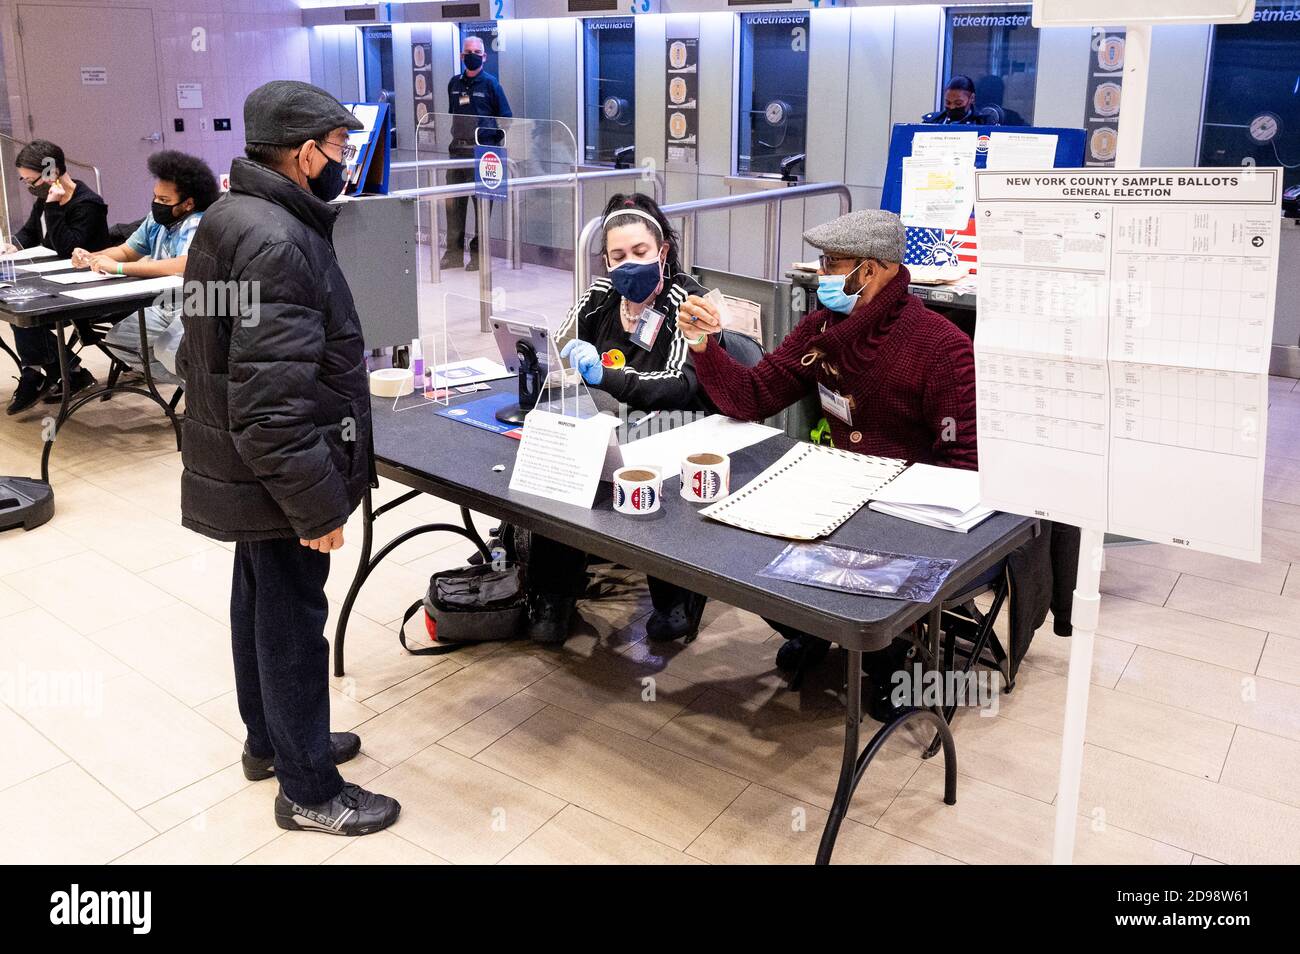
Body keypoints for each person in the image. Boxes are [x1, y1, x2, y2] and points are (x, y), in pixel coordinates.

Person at [178, 80, 399, 836]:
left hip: (242, 466)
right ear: (306, 155)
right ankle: (309, 787)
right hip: (276, 470)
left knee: (260, 601)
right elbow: (272, 402)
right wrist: (315, 502)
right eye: (339, 150)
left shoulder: (231, 216)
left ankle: (272, 741)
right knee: (293, 621)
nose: (346, 162)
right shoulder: (280, 241)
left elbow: (218, 358)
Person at [675, 208, 978, 719]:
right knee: (741, 549)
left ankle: (891, 656)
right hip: (840, 490)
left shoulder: (941, 347)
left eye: (833, 263)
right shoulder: (821, 331)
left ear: (874, 268)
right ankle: (814, 628)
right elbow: (752, 396)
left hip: (909, 511)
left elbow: (962, 465)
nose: (822, 275)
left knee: (859, 559)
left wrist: (896, 503)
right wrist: (704, 345)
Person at [522, 193, 713, 645]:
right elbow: (562, 351)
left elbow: (681, 383)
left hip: (673, 427)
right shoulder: (602, 295)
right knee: (565, 462)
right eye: (617, 256)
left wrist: (607, 376)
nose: (629, 264)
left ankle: (676, 598)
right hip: (606, 427)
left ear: (662, 251)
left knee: (649, 463)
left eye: (640, 253)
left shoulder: (689, 300)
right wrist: (571, 366)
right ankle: (553, 595)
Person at [78, 150, 219, 384]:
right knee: (119, 341)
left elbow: (183, 265)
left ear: (188, 203)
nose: (157, 204)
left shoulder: (197, 222)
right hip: (161, 304)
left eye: (164, 201)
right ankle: (195, 389)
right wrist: (92, 257)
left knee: (167, 349)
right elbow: (127, 251)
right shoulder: (155, 220)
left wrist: (120, 268)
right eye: (155, 197)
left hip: (193, 305)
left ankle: (203, 399)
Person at [3, 140, 111, 414]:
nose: (29, 185)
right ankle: (64, 371)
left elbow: (67, 248)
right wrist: (13, 245)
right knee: (18, 307)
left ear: (51, 172)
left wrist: (53, 207)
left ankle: (48, 373)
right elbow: (29, 232)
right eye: (23, 179)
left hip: (87, 286)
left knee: (25, 313)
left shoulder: (88, 203)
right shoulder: (43, 200)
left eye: (31, 179)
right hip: (54, 278)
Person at [442, 34, 511, 272]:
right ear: (462, 56)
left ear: (484, 56)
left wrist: (490, 135)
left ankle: (478, 256)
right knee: (454, 206)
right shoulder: (454, 83)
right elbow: (452, 113)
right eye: (467, 52)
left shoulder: (491, 84)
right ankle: (453, 254)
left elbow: (506, 118)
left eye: (476, 52)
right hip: (457, 152)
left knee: (482, 207)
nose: (471, 56)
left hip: (483, 154)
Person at [922, 75, 990, 125]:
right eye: (948, 102)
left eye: (958, 103)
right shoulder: (931, 122)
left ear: (971, 98)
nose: (952, 107)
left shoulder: (983, 123)